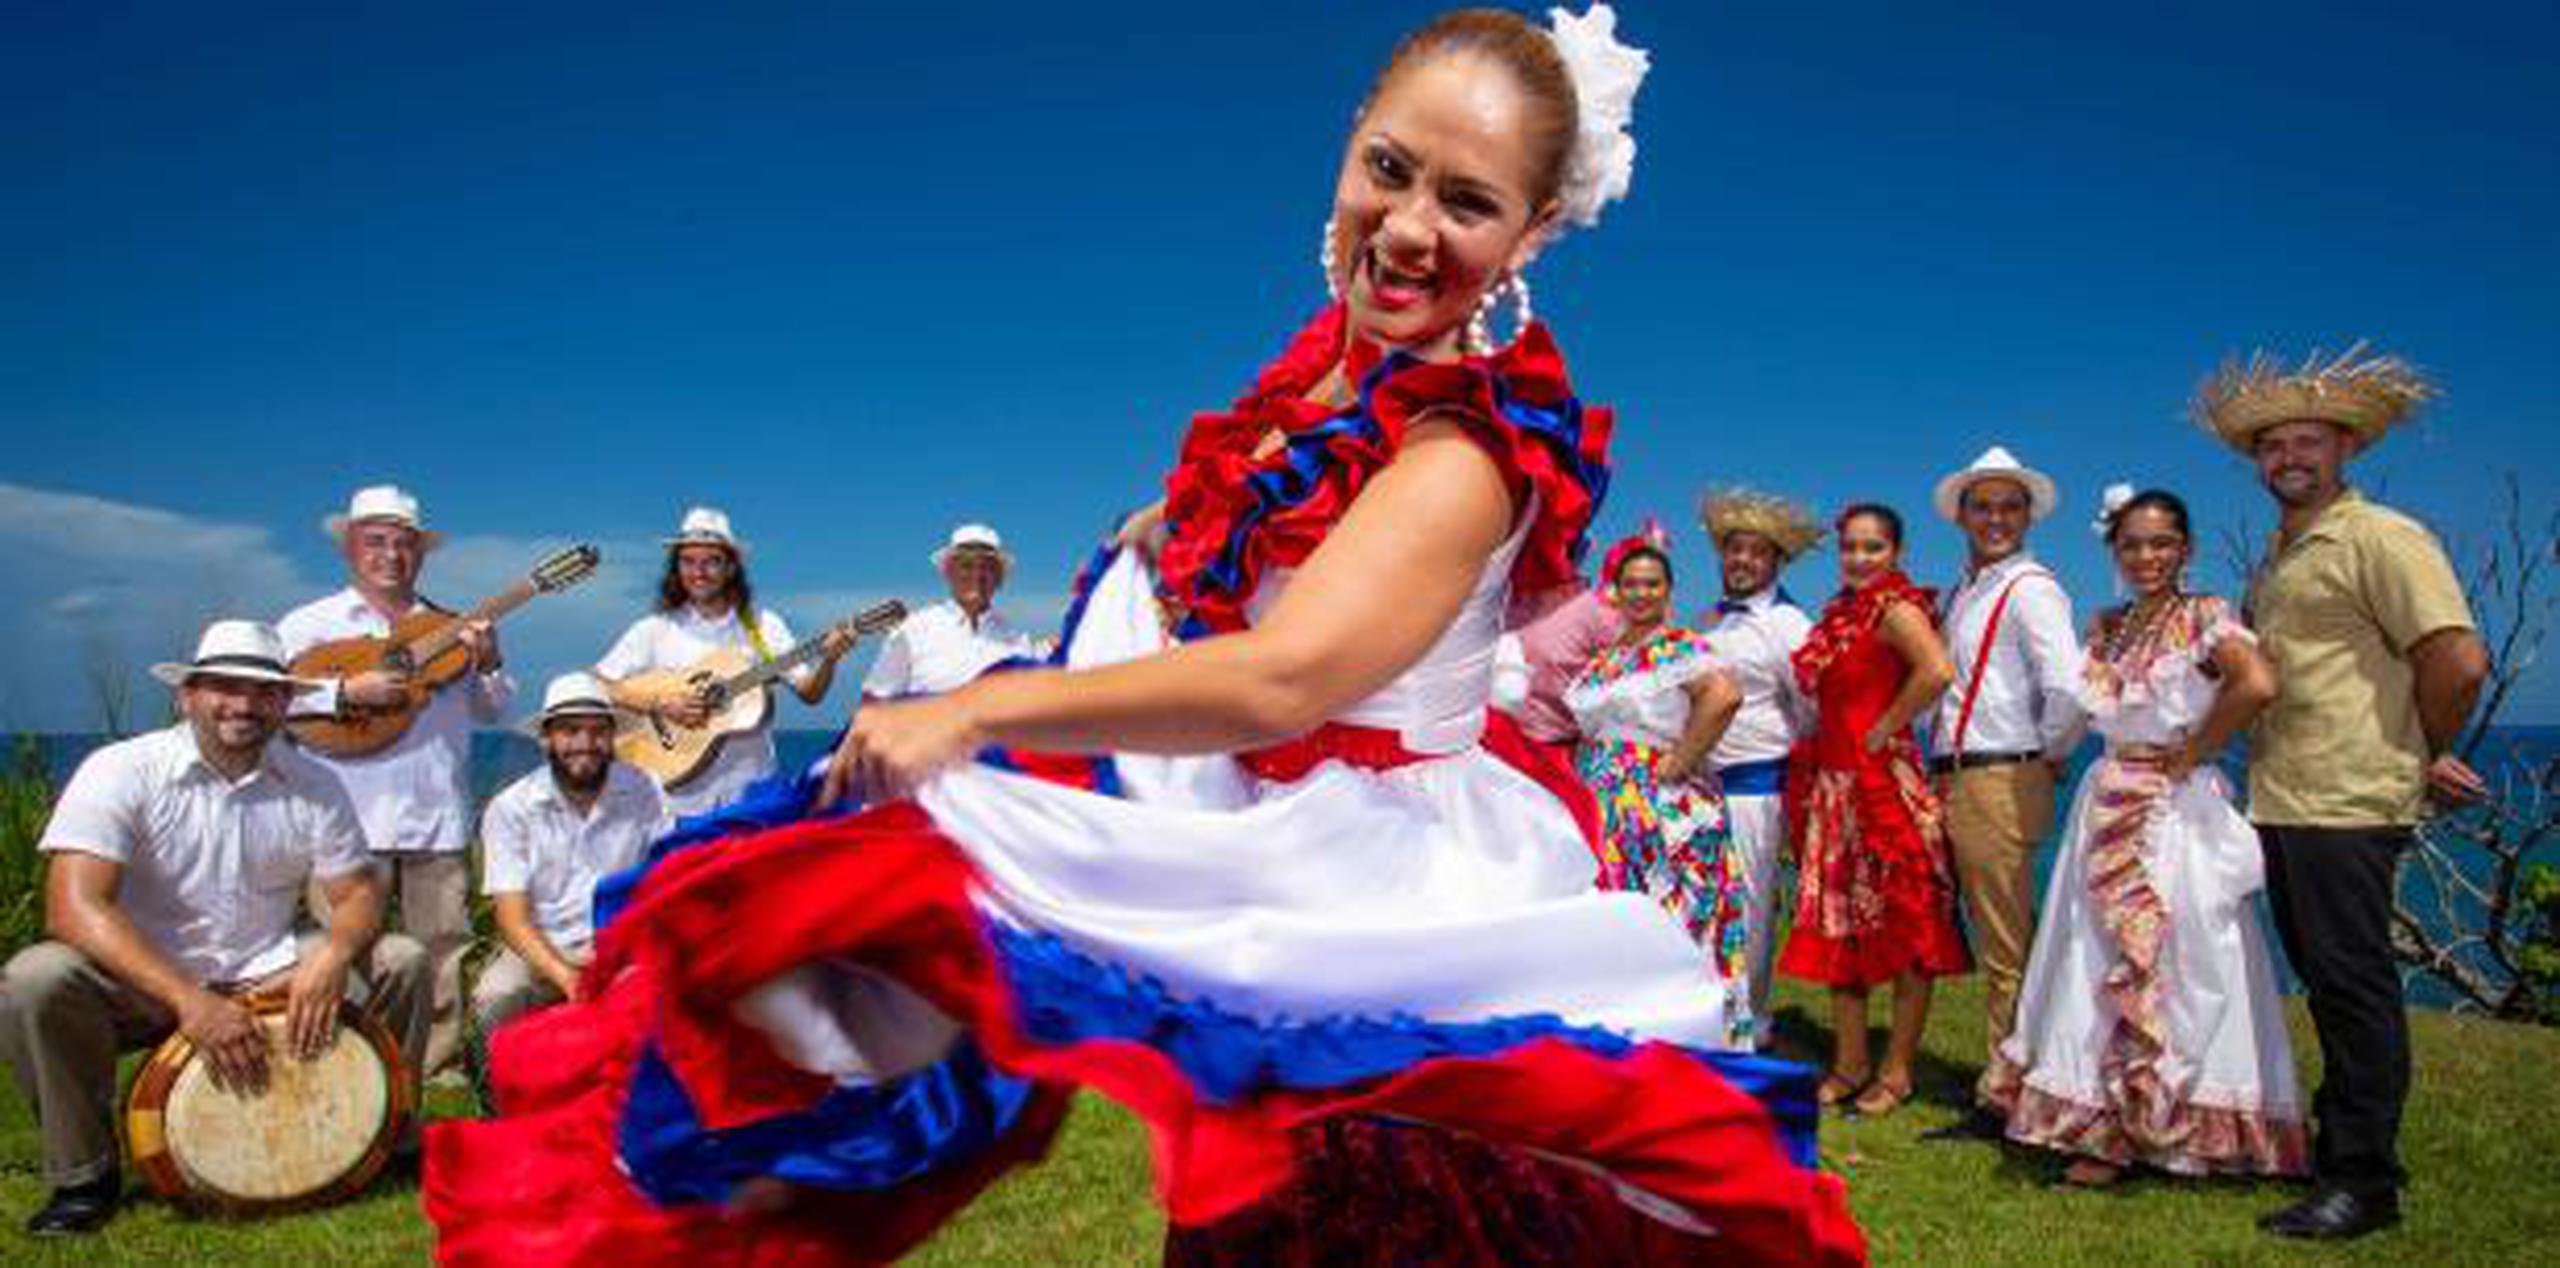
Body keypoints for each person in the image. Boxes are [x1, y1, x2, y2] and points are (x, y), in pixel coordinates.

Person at [426, 9, 1863, 1266]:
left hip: (1387, 898)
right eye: (1391, 167)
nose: (1413, 223)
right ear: (1348, 144)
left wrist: (975, 717)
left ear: (1532, 235)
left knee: (1362, 1207)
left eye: (1469, 202)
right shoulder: (1318, 397)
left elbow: (1289, 676)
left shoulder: (1460, 452)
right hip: (1267, 837)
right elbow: (1231, 581)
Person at [0, 621, 431, 1236]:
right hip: (145, 981)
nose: (244, 705)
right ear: (188, 696)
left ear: (284, 703)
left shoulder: (314, 784)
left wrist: (334, 952)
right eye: (224, 688)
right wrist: (188, 1000)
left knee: (401, 958)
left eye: (263, 691)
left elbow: (356, 891)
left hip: (268, 967)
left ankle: (387, 1140)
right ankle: (84, 1177)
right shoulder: (122, 769)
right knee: (34, 978)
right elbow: (72, 908)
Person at [2198, 346, 2488, 1240]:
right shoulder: (2285, 555)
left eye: (2308, 441)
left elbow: (2457, 657)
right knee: (2328, 982)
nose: (2289, 456)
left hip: (2344, 800)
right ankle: (2339, 1153)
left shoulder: (2381, 537)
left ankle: (2365, 1183)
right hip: (2287, 797)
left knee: (2352, 986)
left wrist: (2418, 747)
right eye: (2273, 444)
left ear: (2347, 447)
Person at [1982, 487, 2309, 1186]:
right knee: (2090, 954)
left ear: (2185, 549)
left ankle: (2165, 1121)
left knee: (2176, 958)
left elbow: (2255, 683)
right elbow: (2080, 710)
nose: (2147, 556)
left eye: (2161, 543)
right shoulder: (2108, 625)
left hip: (2168, 811)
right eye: (2132, 544)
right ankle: (2102, 1122)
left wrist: (2195, 751)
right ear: (2115, 552)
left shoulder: (2206, 617)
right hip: (2106, 799)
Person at [277, 484, 510, 1080]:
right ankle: (352, 1054)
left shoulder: (452, 628)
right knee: (351, 950)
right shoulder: (309, 625)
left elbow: (495, 711)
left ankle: (437, 1064)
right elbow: (267, 699)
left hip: (436, 813)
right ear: (351, 548)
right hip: (344, 820)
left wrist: (489, 663)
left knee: (442, 947)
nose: (390, 555)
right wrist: (342, 692)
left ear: (420, 554)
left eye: (403, 544)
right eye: (376, 542)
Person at [1780, 503, 1968, 1118]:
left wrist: (1884, 728)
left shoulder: (1897, 609)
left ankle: (1897, 1069)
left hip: (1883, 786)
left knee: (1909, 924)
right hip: (1836, 789)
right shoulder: (1842, 616)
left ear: (1897, 553)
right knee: (1844, 928)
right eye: (1851, 548)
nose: (1859, 558)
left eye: (1873, 548)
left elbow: (1937, 670)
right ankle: (1851, 1061)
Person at [1923, 446, 2084, 1134]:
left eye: (2009, 507)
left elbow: (2069, 688)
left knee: (2005, 941)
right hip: (1962, 771)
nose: (1995, 518)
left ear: (2028, 516)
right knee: (1996, 933)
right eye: (1983, 506)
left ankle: (2007, 1091)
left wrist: (2048, 752)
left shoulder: (2031, 587)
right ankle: (2011, 1073)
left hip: (1999, 772)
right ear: (1962, 515)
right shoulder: (1964, 590)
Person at [1562, 532, 1747, 1041]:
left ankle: (1684, 1037)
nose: (1641, 593)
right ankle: (1627, 1034)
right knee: (1616, 921)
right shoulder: (1607, 659)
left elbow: (1724, 697)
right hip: (1605, 801)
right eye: (1631, 584)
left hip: (1657, 802)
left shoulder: (1676, 645)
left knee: (1669, 916)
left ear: (1668, 590)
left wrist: (1679, 762)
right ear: (1614, 592)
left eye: (1652, 584)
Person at [597, 507, 854, 818]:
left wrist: (829, 659)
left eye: (711, 561)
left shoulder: (762, 626)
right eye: (688, 561)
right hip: (677, 803)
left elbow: (809, 693)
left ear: (731, 567)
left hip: (751, 797)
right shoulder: (655, 629)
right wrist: (659, 703)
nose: (699, 572)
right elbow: (596, 683)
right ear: (676, 568)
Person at [470, 673, 669, 1037]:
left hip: (621, 944)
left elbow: (665, 876)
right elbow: (512, 919)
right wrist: (567, 978)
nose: (585, 742)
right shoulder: (512, 807)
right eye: (570, 730)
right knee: (497, 998)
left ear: (612, 737)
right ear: (546, 739)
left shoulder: (645, 789)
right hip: (542, 946)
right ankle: (501, 1090)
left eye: (598, 731)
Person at [1696, 487, 1821, 1045]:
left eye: (1756, 551)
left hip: (1757, 788)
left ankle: (1750, 1022)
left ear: (1776, 561)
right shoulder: (1710, 622)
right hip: (1705, 788)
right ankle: (1709, 1012)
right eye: (1733, 549)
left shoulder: (1790, 625)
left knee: (1749, 910)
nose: (1742, 560)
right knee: (1707, 907)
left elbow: (1811, 710)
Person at [861, 523, 1042, 700]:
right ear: (948, 571)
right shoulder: (912, 630)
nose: (977, 575)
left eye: (988, 567)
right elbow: (875, 704)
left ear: (1000, 578)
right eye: (967, 565)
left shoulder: (1019, 641)